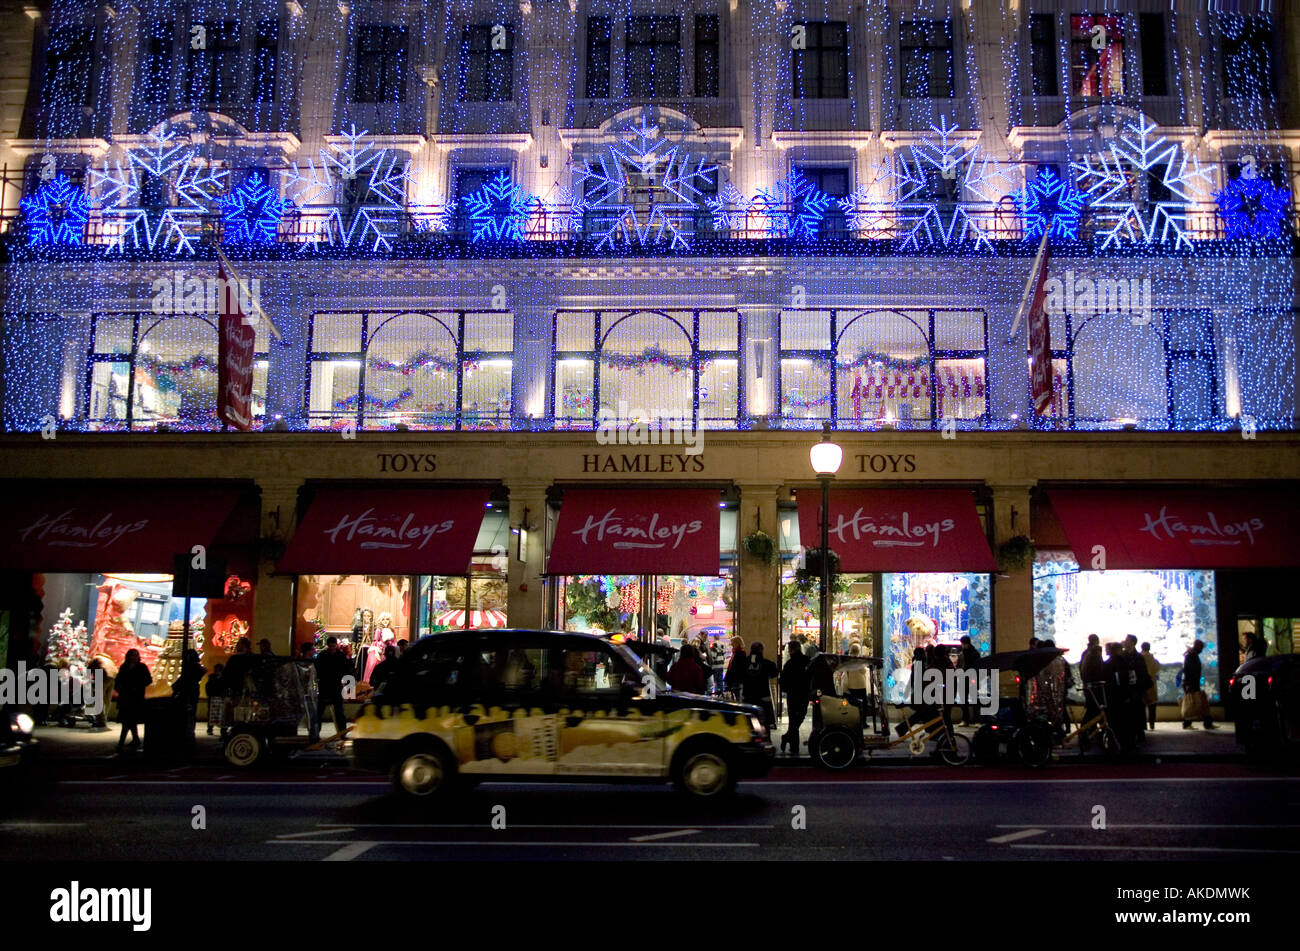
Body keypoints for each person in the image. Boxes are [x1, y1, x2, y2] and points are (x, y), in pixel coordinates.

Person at [314, 636, 352, 740]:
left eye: (333, 646)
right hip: (326, 686)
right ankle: (316, 733)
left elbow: (346, 670)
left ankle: (342, 733)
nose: (332, 648)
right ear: (328, 645)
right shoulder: (324, 656)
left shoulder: (339, 656)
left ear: (336, 645)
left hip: (334, 686)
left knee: (339, 712)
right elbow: (318, 670)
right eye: (330, 646)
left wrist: (347, 685)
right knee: (320, 712)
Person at [115, 649, 152, 754]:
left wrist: (138, 687)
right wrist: (119, 688)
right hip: (126, 697)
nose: (134, 657)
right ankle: (134, 740)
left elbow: (148, 680)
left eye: (136, 655)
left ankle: (122, 743)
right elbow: (119, 680)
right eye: (132, 655)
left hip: (136, 698)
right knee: (130, 721)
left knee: (128, 721)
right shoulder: (124, 667)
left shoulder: (142, 667)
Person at [779, 641, 810, 755]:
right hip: (804, 693)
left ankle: (790, 741)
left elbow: (783, 681)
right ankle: (792, 744)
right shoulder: (807, 661)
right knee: (800, 717)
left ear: (791, 650)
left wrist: (786, 689)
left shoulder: (789, 664)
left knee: (793, 720)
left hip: (792, 695)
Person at [1122, 635, 1153, 744]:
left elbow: (1142, 674)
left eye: (1127, 640)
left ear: (1132, 643)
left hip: (1136, 689)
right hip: (1127, 689)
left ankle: (1138, 733)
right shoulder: (1123, 655)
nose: (1124, 642)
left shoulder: (1138, 657)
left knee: (1137, 711)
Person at [1182, 639, 1216, 730]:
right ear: (1197, 646)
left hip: (1192, 682)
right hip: (1191, 683)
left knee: (1198, 702)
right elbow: (1188, 670)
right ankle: (1204, 723)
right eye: (1201, 647)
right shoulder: (1191, 655)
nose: (1202, 650)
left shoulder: (1192, 654)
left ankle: (1206, 722)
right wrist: (1188, 683)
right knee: (1195, 702)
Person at [742, 642, 778, 729]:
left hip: (748, 696)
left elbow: (738, 676)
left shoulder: (744, 663)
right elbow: (774, 673)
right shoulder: (767, 664)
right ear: (762, 650)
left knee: (749, 723)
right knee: (764, 723)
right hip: (763, 696)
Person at [171, 649, 206, 733]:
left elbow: (184, 679)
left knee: (187, 712)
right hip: (192, 691)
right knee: (191, 712)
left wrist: (175, 686)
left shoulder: (190, 668)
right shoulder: (196, 668)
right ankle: (189, 730)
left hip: (188, 692)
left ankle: (187, 730)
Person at [958, 635, 981, 724]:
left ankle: (970, 719)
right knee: (969, 699)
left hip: (971, 678)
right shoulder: (967, 653)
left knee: (971, 699)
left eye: (962, 644)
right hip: (968, 679)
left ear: (966, 644)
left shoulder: (971, 654)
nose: (962, 645)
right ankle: (972, 720)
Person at [1139, 641, 1160, 730]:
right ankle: (1152, 724)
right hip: (1151, 684)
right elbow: (1157, 668)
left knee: (1141, 706)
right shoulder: (1152, 658)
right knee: (1152, 706)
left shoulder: (1139, 657)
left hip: (1141, 684)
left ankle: (1143, 725)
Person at [724, 636, 746, 700]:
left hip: (736, 679)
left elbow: (735, 667)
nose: (731, 644)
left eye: (732, 643)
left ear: (737, 643)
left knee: (737, 696)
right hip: (733, 679)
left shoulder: (740, 653)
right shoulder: (735, 652)